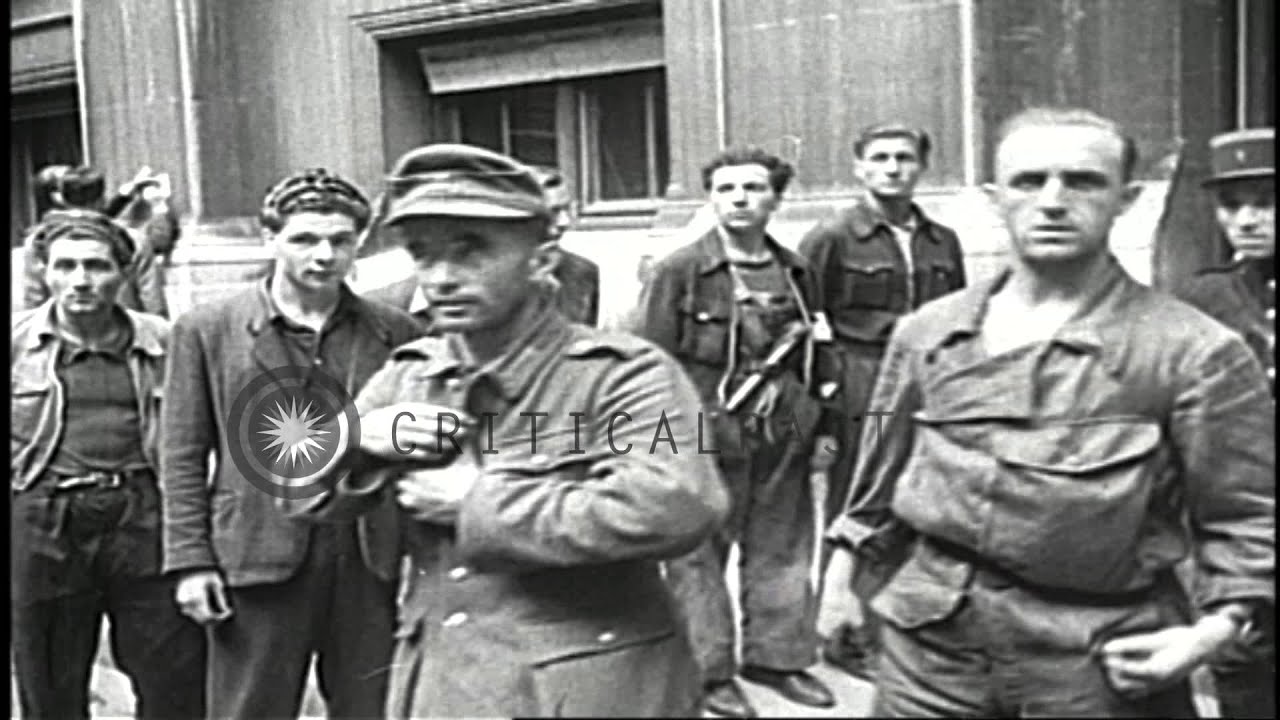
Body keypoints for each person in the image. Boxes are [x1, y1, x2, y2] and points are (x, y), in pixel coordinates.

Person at [818, 107, 1275, 716]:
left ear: (1127, 199)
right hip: (930, 651)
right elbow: (880, 473)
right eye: (1029, 182)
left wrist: (1205, 636)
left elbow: (1245, 518)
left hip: (1099, 656)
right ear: (993, 198)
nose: (1053, 202)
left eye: (1084, 182)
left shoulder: (1193, 351)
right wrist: (841, 579)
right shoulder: (928, 333)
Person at [278, 143, 728, 717]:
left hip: (590, 689)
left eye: (471, 252)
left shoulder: (622, 375)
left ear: (541, 259)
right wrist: (358, 438)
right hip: (447, 683)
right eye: (423, 255)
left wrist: (478, 501)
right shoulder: (413, 372)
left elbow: (681, 503)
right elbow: (295, 489)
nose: (441, 278)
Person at [161, 168, 425, 718]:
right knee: (250, 709)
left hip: (365, 553)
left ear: (361, 242)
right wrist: (191, 562)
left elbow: (414, 451)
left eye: (341, 240)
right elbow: (182, 454)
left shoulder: (395, 332)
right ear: (270, 238)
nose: (324, 254)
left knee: (373, 707)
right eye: (305, 238)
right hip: (258, 550)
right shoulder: (208, 329)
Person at [636, 146, 839, 718]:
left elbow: (821, 351)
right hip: (705, 422)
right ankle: (709, 670)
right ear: (711, 199)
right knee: (698, 550)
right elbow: (650, 361)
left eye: (752, 188)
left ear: (776, 198)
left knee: (783, 542)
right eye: (726, 189)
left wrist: (821, 423)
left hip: (786, 424)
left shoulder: (797, 270)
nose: (739, 200)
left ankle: (778, 657)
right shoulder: (680, 270)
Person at [11, 209, 206, 719]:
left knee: (172, 674)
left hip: (143, 514)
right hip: (44, 516)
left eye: (97, 266)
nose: (80, 281)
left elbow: (199, 432)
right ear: (44, 272)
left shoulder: (164, 340)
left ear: (122, 273)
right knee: (49, 680)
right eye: (65, 265)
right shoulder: (16, 345)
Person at [797, 123, 966, 678]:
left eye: (905, 158)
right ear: (859, 167)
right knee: (858, 504)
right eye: (880, 158)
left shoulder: (942, 241)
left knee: (922, 501)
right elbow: (803, 320)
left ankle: (902, 628)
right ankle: (844, 631)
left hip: (931, 379)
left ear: (922, 166)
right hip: (863, 374)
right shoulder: (832, 236)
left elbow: (960, 315)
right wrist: (823, 395)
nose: (893, 168)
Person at [1174, 126, 1275, 718]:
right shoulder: (1202, 300)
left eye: (1265, 203)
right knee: (1243, 667)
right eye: (1233, 205)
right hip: (1238, 523)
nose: (1247, 220)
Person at [21, 164, 170, 317]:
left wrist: (123, 197)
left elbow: (33, 302)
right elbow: (153, 300)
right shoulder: (131, 239)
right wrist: (159, 206)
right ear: (101, 199)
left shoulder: (37, 242)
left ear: (61, 198)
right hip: (122, 332)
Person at [536, 166, 601, 326]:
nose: (564, 222)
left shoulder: (583, 272)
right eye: (553, 212)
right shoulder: (494, 275)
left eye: (566, 209)